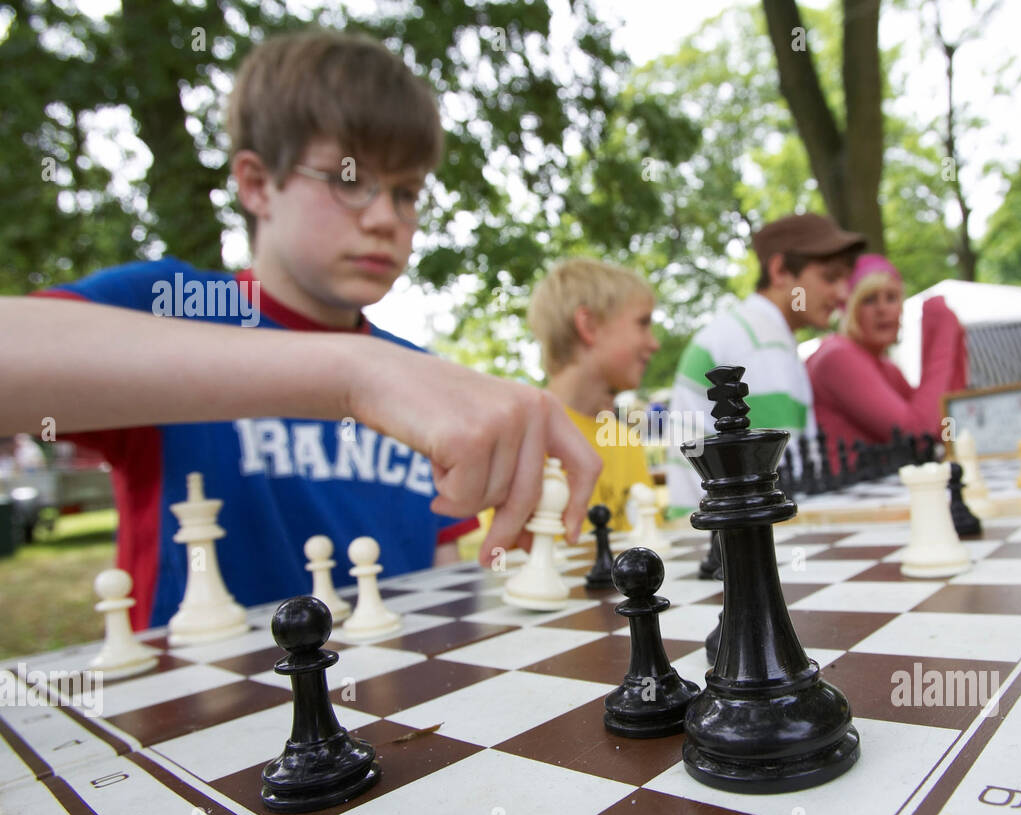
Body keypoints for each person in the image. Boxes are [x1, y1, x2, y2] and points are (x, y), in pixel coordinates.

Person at [0, 31, 599, 630]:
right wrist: (352, 373)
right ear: (258, 184)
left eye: (407, 192)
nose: (386, 218)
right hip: (204, 712)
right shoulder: (165, 308)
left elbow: (442, 563)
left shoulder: (418, 376)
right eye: (348, 180)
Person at [666, 213, 865, 513]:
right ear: (781, 270)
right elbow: (787, 478)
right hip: (718, 538)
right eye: (830, 276)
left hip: (710, 529)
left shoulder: (759, 333)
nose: (843, 293)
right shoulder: (758, 341)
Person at [526, 258, 658, 531]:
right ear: (589, 326)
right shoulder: (526, 438)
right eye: (642, 323)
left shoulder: (626, 442)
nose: (654, 343)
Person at [806, 254, 967, 461]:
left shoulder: (888, 368)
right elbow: (918, 435)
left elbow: (941, 424)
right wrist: (941, 336)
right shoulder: (836, 357)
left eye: (891, 298)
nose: (882, 309)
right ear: (850, 308)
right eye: (869, 300)